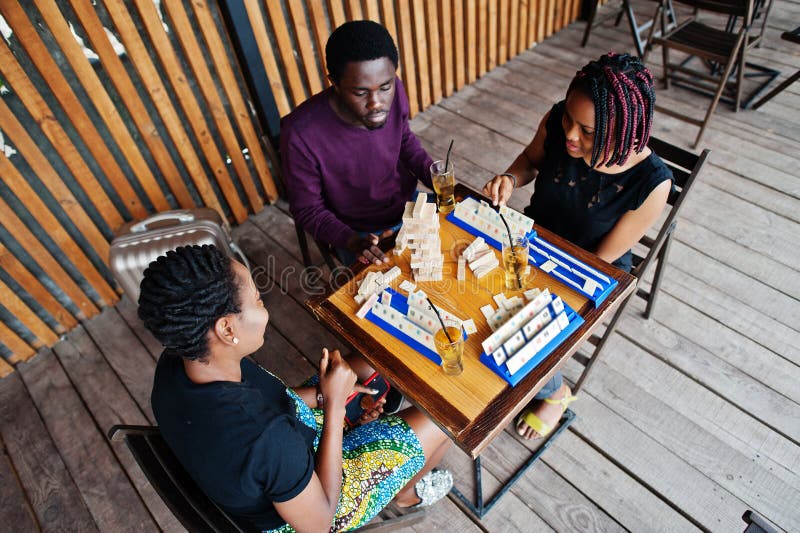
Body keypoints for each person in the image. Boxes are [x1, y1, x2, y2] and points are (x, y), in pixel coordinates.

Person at [139, 245, 452, 532]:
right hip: (313, 503)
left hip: (283, 453)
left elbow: (272, 401)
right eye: (258, 300)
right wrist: (335, 409)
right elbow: (319, 521)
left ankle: (378, 446)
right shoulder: (266, 439)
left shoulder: (181, 361)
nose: (265, 308)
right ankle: (407, 493)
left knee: (376, 359)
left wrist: (324, 395)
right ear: (227, 328)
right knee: (444, 418)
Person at [482, 53, 673, 440]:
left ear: (624, 132)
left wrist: (538, 290)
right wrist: (510, 178)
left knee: (530, 331)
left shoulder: (652, 184)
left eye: (587, 131)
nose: (569, 134)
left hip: (588, 272)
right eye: (569, 118)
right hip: (532, 240)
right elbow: (530, 161)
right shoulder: (558, 121)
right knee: (475, 292)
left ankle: (556, 393)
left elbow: (600, 263)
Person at [281, 20, 434, 266]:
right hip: (357, 232)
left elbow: (403, 139)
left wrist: (435, 175)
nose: (376, 102)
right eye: (361, 93)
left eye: (385, 87)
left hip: (408, 205)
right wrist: (352, 241)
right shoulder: (300, 133)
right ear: (334, 83)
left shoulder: (393, 89)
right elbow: (308, 209)